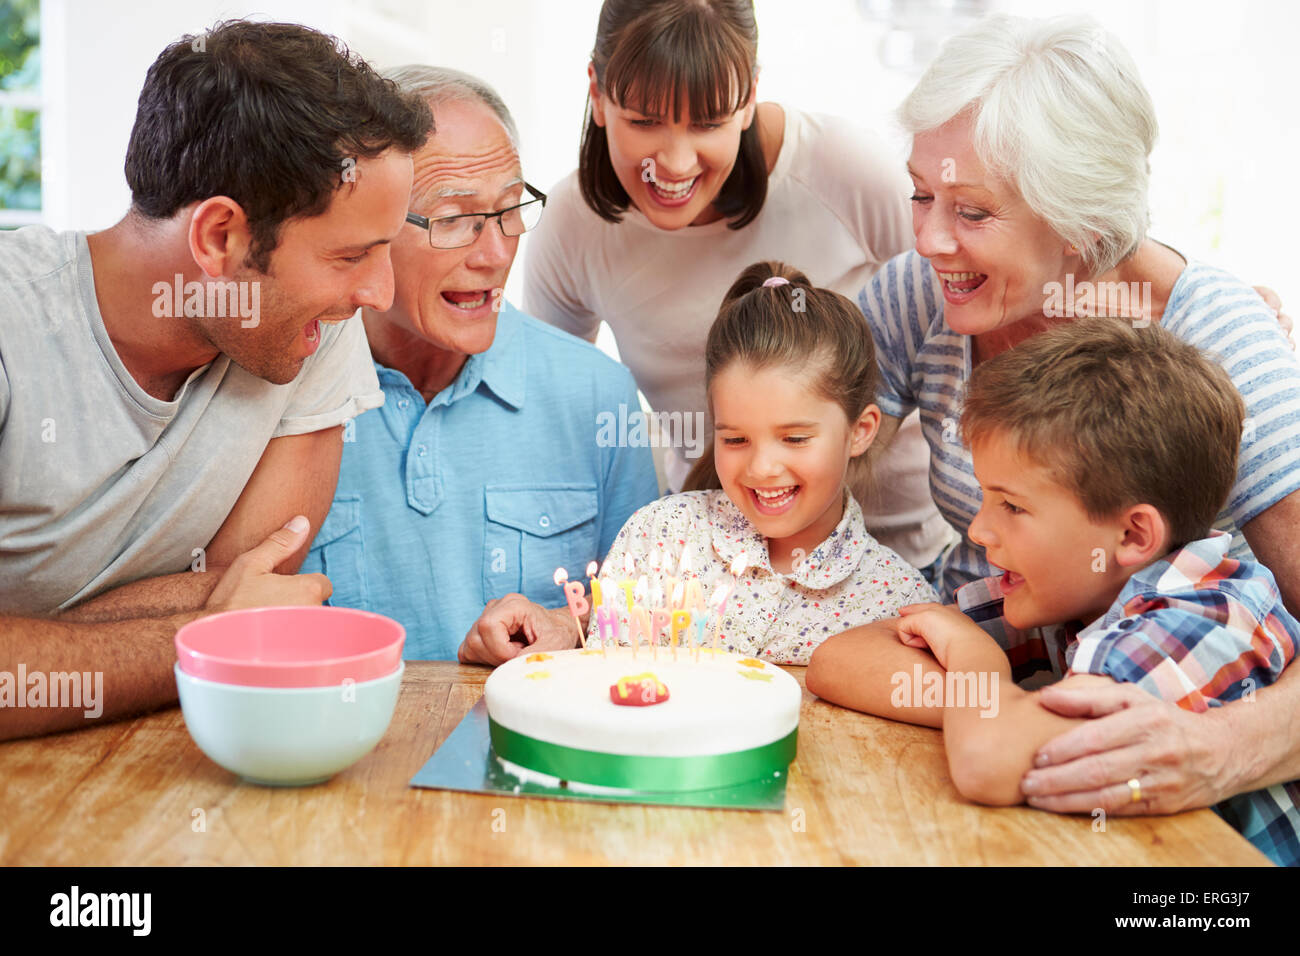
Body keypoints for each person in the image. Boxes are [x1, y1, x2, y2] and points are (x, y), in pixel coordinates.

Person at [808, 13, 1300, 819]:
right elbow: (782, 443)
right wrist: (993, 692)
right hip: (1017, 683)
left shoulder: (1218, 339)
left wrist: (1222, 749)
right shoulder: (921, 293)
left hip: (1169, 756)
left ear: (1081, 228)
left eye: (972, 212)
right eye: (921, 194)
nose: (929, 240)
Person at [0, 20, 433, 740]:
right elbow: (231, 625)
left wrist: (31, 645)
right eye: (353, 255)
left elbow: (255, 590)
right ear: (220, 237)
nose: (380, 294)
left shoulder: (310, 328)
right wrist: (201, 629)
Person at [523, 0, 956, 580]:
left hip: (900, 555)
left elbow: (962, 316)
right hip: (721, 569)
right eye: (644, 121)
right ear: (598, 95)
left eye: (707, 123)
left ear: (749, 95)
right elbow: (553, 411)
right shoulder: (574, 226)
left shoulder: (842, 169)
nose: (674, 164)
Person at [878, 320, 1298, 866]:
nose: (978, 530)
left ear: (1131, 535)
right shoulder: (1077, 587)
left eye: (1012, 505)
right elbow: (842, 658)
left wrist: (973, 662)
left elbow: (987, 761)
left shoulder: (1198, 620)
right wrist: (995, 709)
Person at [300, 66, 657, 662]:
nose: (494, 254)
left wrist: (573, 627)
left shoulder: (598, 395)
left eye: (509, 210)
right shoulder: (284, 392)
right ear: (367, 225)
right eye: (453, 219)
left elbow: (657, 619)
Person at [495, 262, 938, 665]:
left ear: (861, 430)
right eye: (736, 438)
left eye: (795, 438)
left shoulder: (897, 603)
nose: (762, 467)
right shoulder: (658, 539)